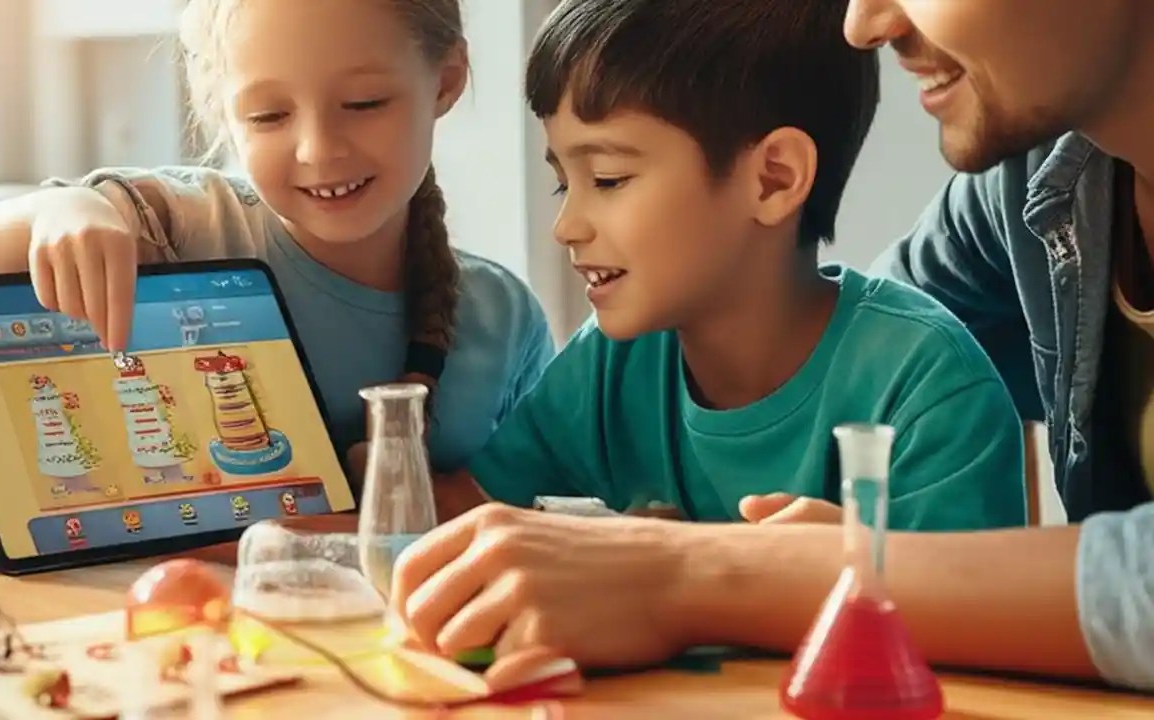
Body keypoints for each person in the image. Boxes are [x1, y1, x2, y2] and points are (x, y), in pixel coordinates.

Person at [391, 0, 1154, 693]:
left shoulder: (926, 372)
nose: (862, 22)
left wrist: (762, 575)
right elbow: (816, 315)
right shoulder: (1026, 187)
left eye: (612, 177)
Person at [0, 0, 555, 485]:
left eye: (364, 102)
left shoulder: (503, 316)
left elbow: (538, 503)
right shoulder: (185, 224)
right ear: (222, 113)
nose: (319, 150)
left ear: (445, 82)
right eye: (269, 116)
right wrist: (66, 204)